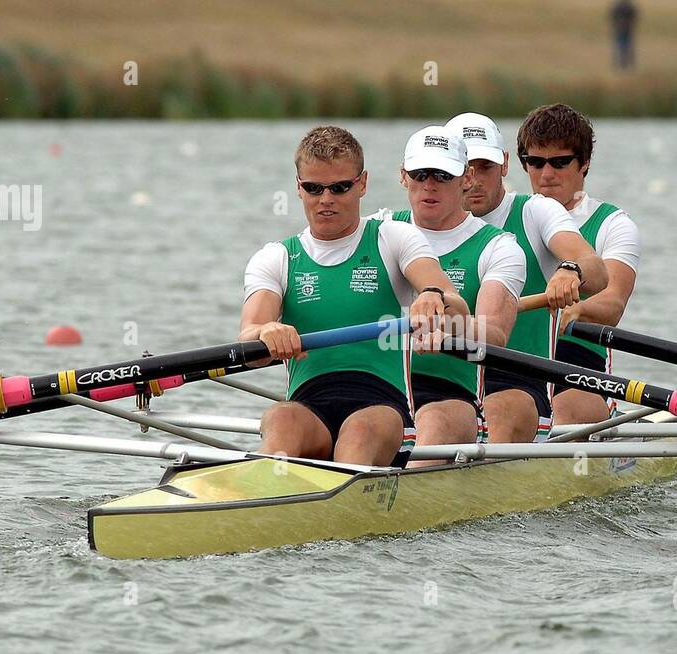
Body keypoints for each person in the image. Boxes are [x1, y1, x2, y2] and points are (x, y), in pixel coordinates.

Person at [240, 126, 469, 467]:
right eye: (313, 188)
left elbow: (456, 306)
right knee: (281, 418)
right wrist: (265, 333)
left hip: (381, 407)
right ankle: (253, 489)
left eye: (340, 187)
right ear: (298, 188)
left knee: (359, 432)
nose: (326, 199)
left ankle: (336, 498)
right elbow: (248, 340)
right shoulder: (276, 257)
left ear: (362, 184)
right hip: (308, 408)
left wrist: (433, 297)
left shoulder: (393, 238)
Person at [445, 112, 608, 444]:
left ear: (505, 165)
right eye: (464, 170)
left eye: (485, 168)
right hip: (444, 382)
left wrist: (571, 270)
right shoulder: (410, 226)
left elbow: (595, 267)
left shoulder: (536, 212)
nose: (473, 181)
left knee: (502, 411)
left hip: (516, 385)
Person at [371, 126, 526, 461]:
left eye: (442, 175)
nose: (429, 184)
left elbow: (494, 334)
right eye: (420, 173)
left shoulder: (498, 247)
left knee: (436, 422)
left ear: (466, 179)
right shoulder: (375, 231)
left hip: (450, 397)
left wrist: (448, 329)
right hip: (377, 389)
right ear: (403, 177)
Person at [515, 104, 640, 428]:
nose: (546, 175)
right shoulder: (505, 219)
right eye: (536, 162)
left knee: (568, 407)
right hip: (514, 357)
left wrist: (577, 311)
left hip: (576, 361)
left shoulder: (612, 225)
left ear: (584, 163)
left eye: (560, 162)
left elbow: (613, 304)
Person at [610, 0, 638, 70]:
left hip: (620, 29)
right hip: (627, 29)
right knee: (626, 47)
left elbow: (612, 17)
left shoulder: (617, 6)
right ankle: (627, 64)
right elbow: (634, 17)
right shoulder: (630, 6)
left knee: (620, 46)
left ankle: (620, 64)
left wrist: (616, 24)